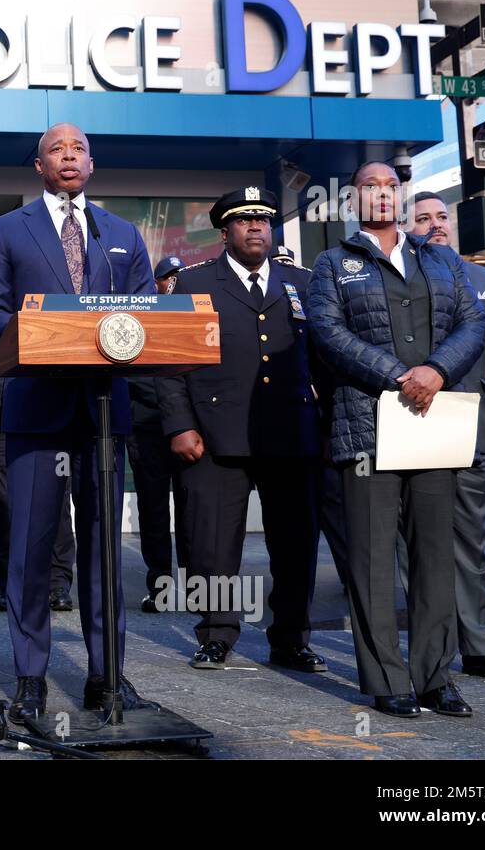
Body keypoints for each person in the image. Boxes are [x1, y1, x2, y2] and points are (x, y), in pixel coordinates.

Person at [0, 122, 156, 721]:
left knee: (105, 550)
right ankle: (30, 675)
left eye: (78, 149)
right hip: (36, 411)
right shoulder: (6, 229)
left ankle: (107, 675)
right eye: (57, 149)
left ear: (92, 164)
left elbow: (147, 312)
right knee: (29, 548)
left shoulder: (121, 233)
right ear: (39, 165)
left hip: (105, 412)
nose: (69, 156)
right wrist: (33, 339)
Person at [307, 160, 485, 718]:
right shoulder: (332, 264)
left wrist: (435, 370)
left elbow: (473, 324)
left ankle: (435, 677)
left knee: (434, 557)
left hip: (435, 426)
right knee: (370, 561)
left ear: (401, 198)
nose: (382, 194)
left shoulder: (441, 261)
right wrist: (398, 375)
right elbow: (328, 332)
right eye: (369, 186)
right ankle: (388, 679)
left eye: (391, 186)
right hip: (366, 429)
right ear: (352, 200)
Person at [156, 189, 324, 671]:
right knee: (212, 545)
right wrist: (180, 424)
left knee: (295, 544)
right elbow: (168, 363)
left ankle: (291, 637)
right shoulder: (191, 284)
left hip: (291, 434)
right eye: (244, 220)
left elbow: (322, 360)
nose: (256, 227)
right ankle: (217, 632)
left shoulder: (302, 282)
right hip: (214, 435)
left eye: (263, 220)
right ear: (224, 231)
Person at [394, 192, 485, 684]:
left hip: (470, 430)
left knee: (471, 547)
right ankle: (431, 655)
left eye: (441, 217)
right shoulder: (392, 274)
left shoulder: (482, 279)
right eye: (423, 218)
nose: (436, 225)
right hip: (408, 425)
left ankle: (480, 649)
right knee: (415, 546)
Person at [0, 360, 76, 614]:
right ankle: (8, 583)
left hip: (53, 417)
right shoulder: (3, 319)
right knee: (7, 505)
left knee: (58, 503)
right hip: (9, 418)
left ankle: (58, 584)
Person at [132, 256, 187, 613]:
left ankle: (197, 583)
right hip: (148, 426)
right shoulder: (140, 317)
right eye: (168, 278)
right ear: (157, 283)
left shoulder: (189, 318)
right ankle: (161, 588)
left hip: (186, 427)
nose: (174, 283)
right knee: (153, 511)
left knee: (193, 509)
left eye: (179, 277)